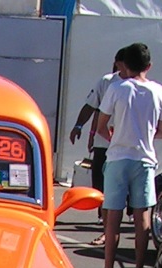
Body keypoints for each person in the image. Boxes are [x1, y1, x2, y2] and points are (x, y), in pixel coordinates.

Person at [94, 42, 162, 268]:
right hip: (145, 159)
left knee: (112, 215)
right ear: (149, 66)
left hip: (117, 157)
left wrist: (115, 136)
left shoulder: (117, 89)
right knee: (142, 217)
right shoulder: (159, 91)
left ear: (125, 65)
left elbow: (101, 125)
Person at [69, 48, 128, 247]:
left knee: (121, 189)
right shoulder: (107, 82)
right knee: (101, 187)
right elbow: (91, 106)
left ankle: (118, 230)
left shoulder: (143, 88)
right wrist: (80, 126)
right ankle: (105, 228)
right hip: (105, 144)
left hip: (127, 148)